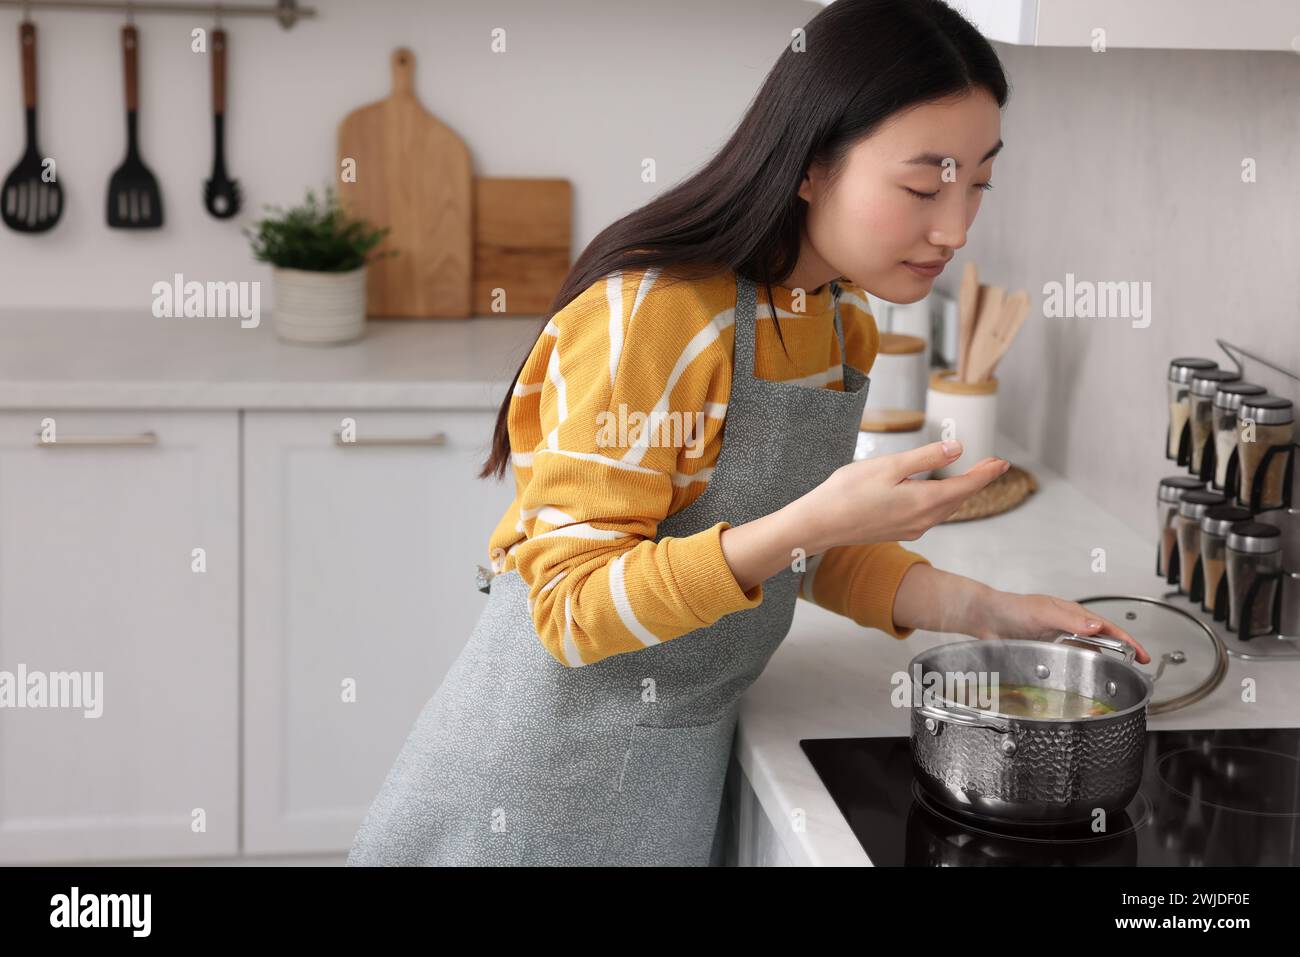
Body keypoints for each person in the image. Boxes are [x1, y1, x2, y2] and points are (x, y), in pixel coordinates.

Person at [347, 0, 1149, 868]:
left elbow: (796, 545)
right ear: (811, 166)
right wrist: (813, 522)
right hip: (533, 783)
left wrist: (985, 610)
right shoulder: (658, 316)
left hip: (668, 765)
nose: (955, 228)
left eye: (977, 186)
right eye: (924, 187)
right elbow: (570, 611)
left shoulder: (839, 319)